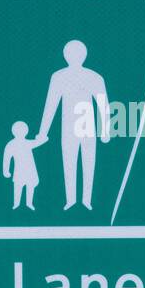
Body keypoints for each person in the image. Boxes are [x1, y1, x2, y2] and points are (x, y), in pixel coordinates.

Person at [36, 40, 109, 210]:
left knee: (88, 162)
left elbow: (103, 105)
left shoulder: (94, 77)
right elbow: (51, 105)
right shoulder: (59, 77)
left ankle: (86, 199)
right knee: (69, 162)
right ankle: (71, 199)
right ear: (65, 56)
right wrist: (43, 132)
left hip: (87, 127)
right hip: (68, 127)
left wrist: (106, 130)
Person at [2, 121, 43, 210]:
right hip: (19, 171)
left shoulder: (27, 142)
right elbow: (7, 158)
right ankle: (16, 203)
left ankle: (29, 203)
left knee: (30, 186)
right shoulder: (11, 144)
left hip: (30, 170)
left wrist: (43, 139)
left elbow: (36, 142)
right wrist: (6, 170)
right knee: (18, 187)